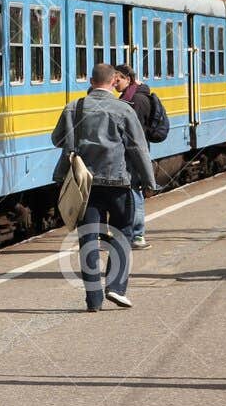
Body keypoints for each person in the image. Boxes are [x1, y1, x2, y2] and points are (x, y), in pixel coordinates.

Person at [52, 63, 158, 312]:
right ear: (113, 82)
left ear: (91, 80)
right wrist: (149, 181)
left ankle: (93, 300)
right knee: (122, 233)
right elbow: (138, 148)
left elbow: (57, 139)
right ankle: (116, 288)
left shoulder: (73, 107)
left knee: (88, 238)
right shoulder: (123, 109)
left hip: (84, 184)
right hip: (119, 182)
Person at [111, 64, 154, 250]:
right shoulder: (132, 97)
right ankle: (133, 233)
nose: (114, 83)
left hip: (134, 152)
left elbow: (133, 132)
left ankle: (137, 235)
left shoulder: (136, 100)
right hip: (133, 151)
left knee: (134, 192)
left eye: (118, 79)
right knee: (132, 191)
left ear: (128, 79)